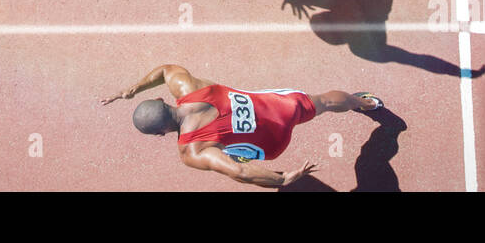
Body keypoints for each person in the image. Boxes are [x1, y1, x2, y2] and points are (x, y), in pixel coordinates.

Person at [101, 62, 383, 187]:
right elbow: (165, 70)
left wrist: (282, 179)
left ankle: (230, 144)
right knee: (323, 101)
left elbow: (241, 174)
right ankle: (368, 104)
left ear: (161, 133)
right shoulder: (186, 85)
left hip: (272, 145)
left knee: (233, 158)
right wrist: (134, 88)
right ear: (164, 100)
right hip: (281, 106)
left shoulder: (193, 151)